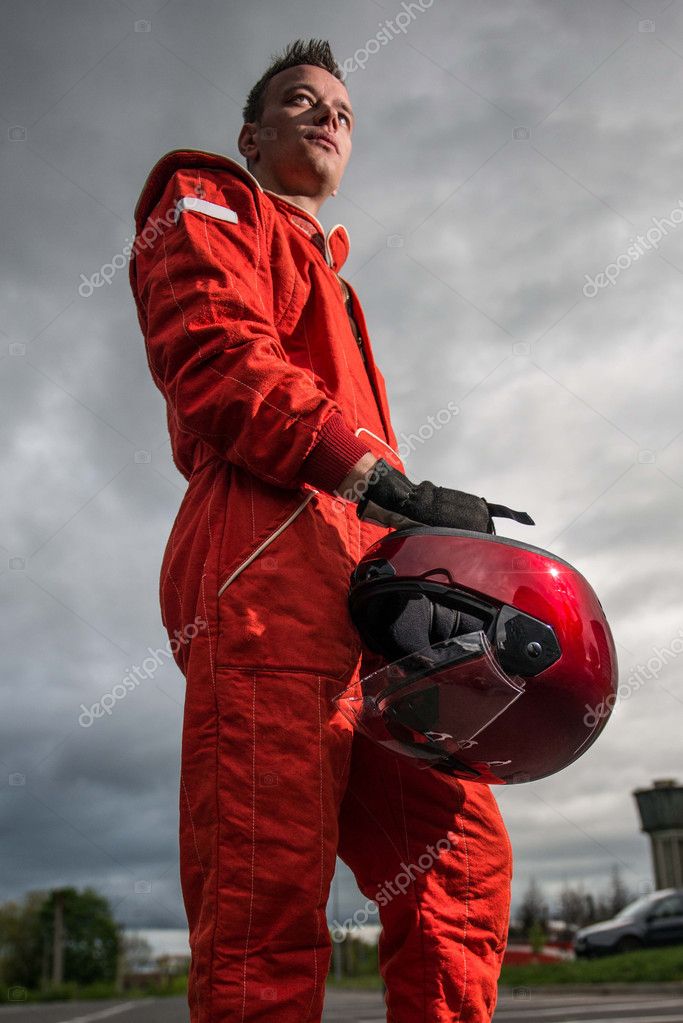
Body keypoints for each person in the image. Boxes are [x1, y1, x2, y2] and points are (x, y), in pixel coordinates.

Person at [128, 37, 512, 1023]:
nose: (327, 116)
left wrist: (426, 559)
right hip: (265, 577)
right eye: (300, 102)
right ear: (252, 136)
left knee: (456, 859)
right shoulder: (205, 195)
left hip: (371, 601)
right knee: (267, 889)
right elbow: (215, 355)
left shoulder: (338, 283)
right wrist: (385, 482)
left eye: (341, 108)